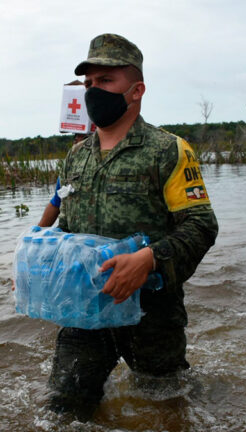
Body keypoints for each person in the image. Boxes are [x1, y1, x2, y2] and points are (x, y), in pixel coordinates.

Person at [47, 34, 219, 420]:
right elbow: (65, 228)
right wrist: (36, 263)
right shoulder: (75, 157)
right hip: (84, 312)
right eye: (89, 83)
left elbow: (201, 226)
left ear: (137, 90)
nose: (94, 91)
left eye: (106, 81)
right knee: (63, 411)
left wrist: (148, 259)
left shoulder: (168, 150)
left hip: (151, 313)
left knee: (165, 408)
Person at [37, 134, 88, 228]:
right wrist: (36, 232)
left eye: (83, 138)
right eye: (75, 138)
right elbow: (56, 202)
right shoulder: (70, 169)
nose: (76, 141)